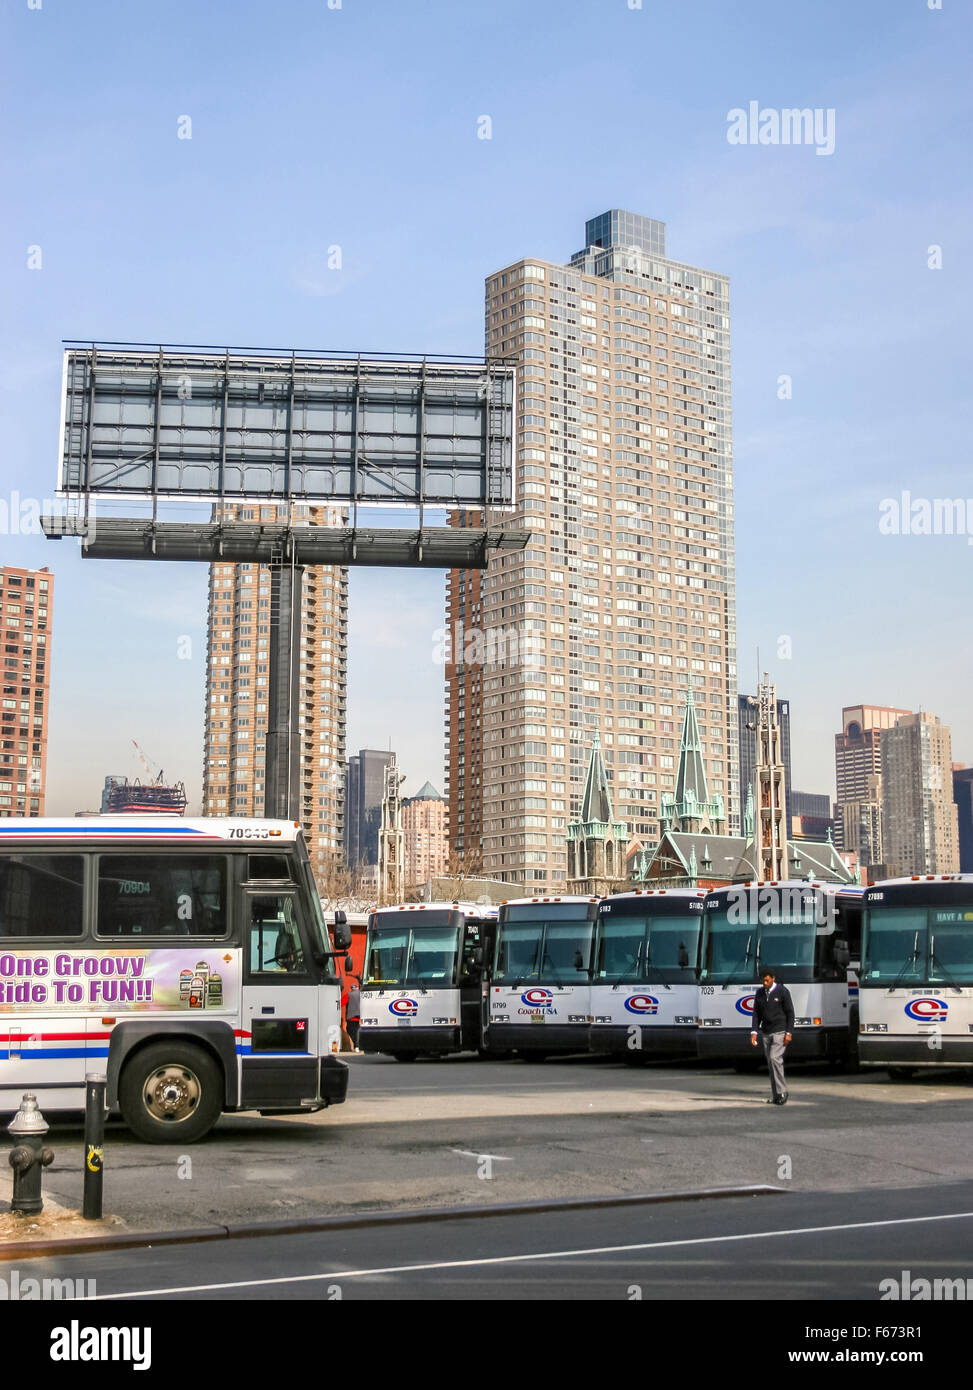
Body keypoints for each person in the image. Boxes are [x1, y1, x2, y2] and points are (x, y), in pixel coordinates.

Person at [750, 968, 794, 1105]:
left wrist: (789, 1032)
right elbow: (756, 1013)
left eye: (767, 980)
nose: (765, 982)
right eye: (763, 980)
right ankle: (776, 1096)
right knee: (770, 1063)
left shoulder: (783, 991)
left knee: (775, 1058)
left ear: (773, 978)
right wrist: (754, 1032)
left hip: (780, 1031)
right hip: (766, 1032)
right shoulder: (759, 993)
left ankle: (782, 1092)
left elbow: (790, 1013)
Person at [346, 975, 362, 1053]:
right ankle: (357, 1046)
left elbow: (340, 1003)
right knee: (357, 1031)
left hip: (351, 1017)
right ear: (357, 988)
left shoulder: (348, 995)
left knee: (349, 1030)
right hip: (359, 1017)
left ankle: (356, 1045)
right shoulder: (360, 994)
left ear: (351, 988)